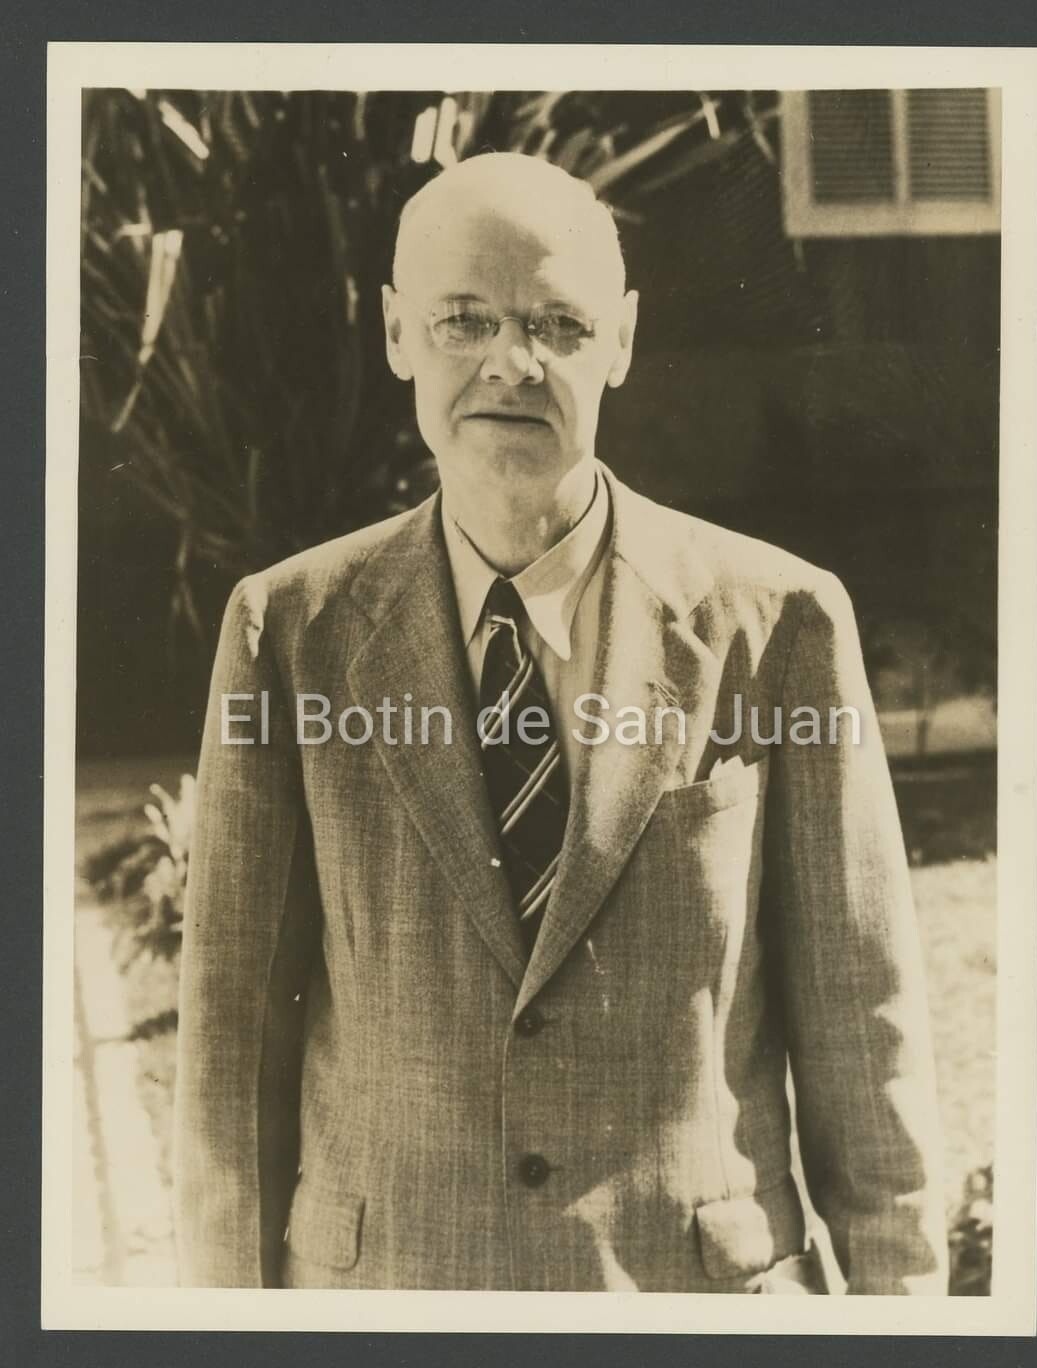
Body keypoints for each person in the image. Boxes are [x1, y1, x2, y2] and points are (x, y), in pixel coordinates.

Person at [174, 152, 946, 1293]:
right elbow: (235, 1052)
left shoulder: (779, 625)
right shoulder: (288, 632)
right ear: (394, 333)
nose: (511, 363)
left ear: (622, 340)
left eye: (558, 323)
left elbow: (863, 1035)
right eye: (462, 319)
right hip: (387, 1300)